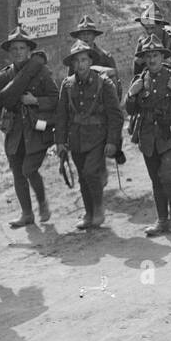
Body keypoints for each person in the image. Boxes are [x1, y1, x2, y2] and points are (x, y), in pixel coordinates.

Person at [125, 36, 171, 236]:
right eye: (148, 56)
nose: (151, 60)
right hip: (148, 137)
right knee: (156, 180)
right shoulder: (140, 80)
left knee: (167, 175)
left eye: (155, 55)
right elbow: (129, 110)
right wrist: (131, 94)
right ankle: (162, 220)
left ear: (162, 56)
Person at [0, 27, 59, 228]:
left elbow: (56, 98)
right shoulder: (4, 76)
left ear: (29, 50)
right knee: (17, 173)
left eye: (22, 48)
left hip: (37, 130)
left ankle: (42, 203)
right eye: (14, 49)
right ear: (9, 52)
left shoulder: (41, 72)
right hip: (14, 131)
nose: (18, 52)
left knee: (29, 169)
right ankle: (26, 214)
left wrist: (35, 100)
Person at [55, 41, 123, 230]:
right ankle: (88, 213)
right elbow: (61, 116)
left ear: (90, 61)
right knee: (83, 177)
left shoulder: (104, 84)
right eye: (76, 61)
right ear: (73, 65)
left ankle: (99, 209)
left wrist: (112, 142)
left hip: (98, 138)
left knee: (90, 172)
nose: (80, 65)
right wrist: (60, 142)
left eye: (84, 60)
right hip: (76, 138)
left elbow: (115, 115)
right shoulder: (67, 85)